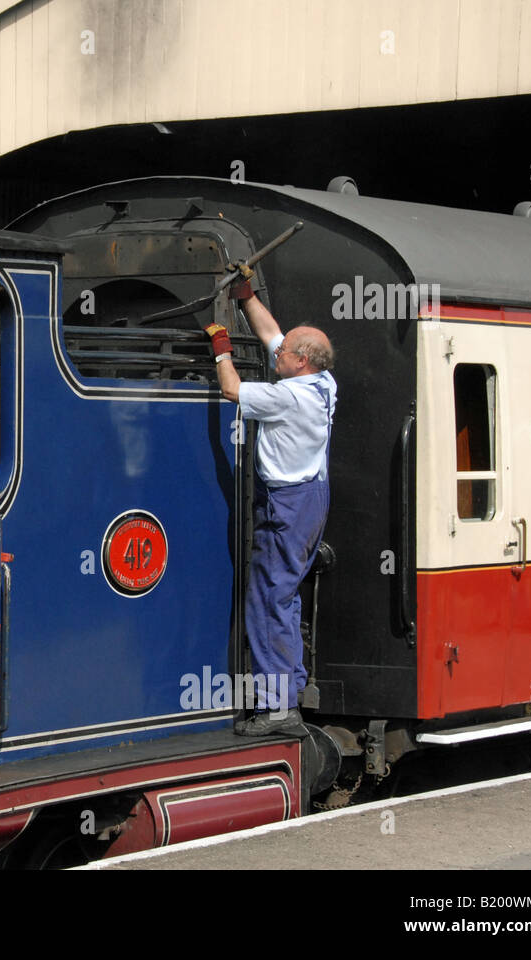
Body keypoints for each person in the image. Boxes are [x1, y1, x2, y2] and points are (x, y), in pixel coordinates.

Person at [203, 263, 336, 736]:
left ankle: (277, 707)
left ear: (301, 361)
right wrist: (247, 295)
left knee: (267, 600)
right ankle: (291, 688)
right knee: (286, 597)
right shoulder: (322, 383)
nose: (276, 355)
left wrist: (221, 347)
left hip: (287, 504)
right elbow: (273, 334)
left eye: (285, 355)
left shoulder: (289, 397)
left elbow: (232, 388)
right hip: (312, 497)